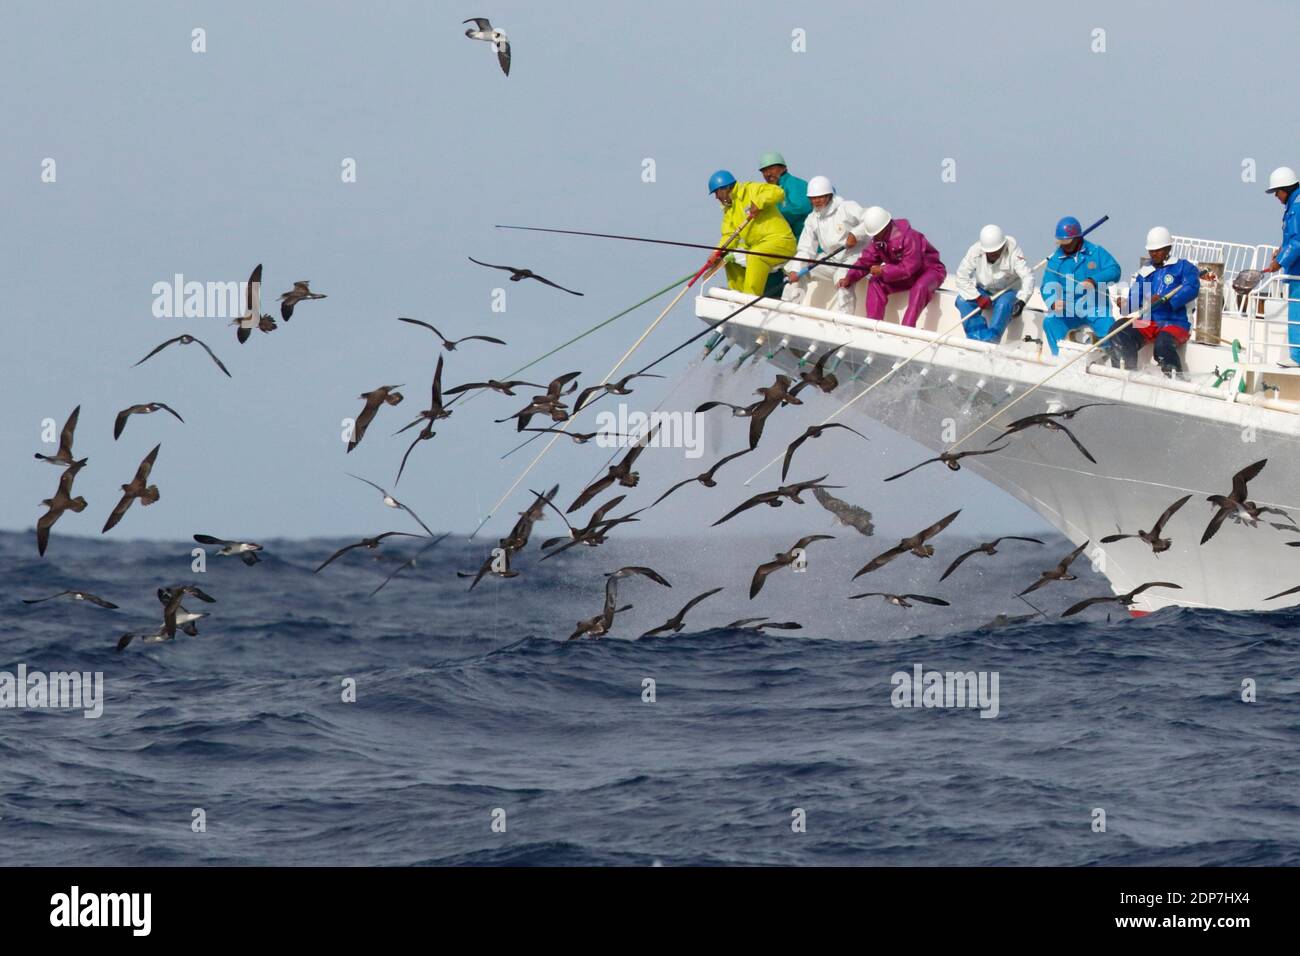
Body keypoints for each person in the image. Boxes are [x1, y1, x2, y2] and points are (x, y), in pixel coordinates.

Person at [836, 207, 947, 327]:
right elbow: (865, 260)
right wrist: (850, 277)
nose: (875, 237)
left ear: (886, 227)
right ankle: (872, 325)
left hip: (931, 271)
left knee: (919, 288)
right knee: (875, 282)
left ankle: (907, 328)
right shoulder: (878, 241)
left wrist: (884, 270)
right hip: (906, 275)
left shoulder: (909, 237)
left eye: (877, 234)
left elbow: (910, 267)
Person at [1116, 227, 1200, 377]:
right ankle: (1127, 373)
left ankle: (1176, 379)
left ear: (1168, 248)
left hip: (1176, 323)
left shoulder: (1183, 267)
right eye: (1151, 250)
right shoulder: (1145, 272)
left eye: (1158, 250)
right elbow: (1136, 297)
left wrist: (1165, 299)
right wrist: (1125, 304)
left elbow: (1192, 288)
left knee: (1163, 344)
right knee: (1120, 330)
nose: (1153, 254)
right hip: (1147, 321)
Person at [1039, 215, 1123, 363]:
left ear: (1078, 238)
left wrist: (1094, 280)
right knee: (1050, 322)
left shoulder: (1096, 252)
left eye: (1067, 242)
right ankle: (1059, 360)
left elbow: (1114, 270)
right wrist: (1052, 302)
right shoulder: (1055, 260)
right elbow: (1047, 284)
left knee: (1110, 328)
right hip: (1069, 308)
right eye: (1061, 242)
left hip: (1097, 307)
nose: (1064, 246)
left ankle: (1110, 362)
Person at [782, 175, 870, 313]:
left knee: (842, 279)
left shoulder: (846, 207)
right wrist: (796, 270)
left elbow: (870, 220)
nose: (816, 201)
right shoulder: (812, 219)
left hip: (855, 257)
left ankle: (844, 323)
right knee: (796, 269)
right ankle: (789, 311)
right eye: (813, 198)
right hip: (832, 259)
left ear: (829, 195)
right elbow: (806, 249)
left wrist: (855, 234)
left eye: (820, 197)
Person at [704, 169, 797, 297]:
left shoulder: (750, 189)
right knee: (728, 258)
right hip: (757, 246)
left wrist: (758, 202)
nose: (716, 197)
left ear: (725, 188)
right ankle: (737, 296)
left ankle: (750, 298)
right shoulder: (729, 210)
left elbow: (778, 192)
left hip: (781, 242)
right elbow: (729, 236)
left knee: (755, 255)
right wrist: (717, 252)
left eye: (717, 193)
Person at [954, 225, 1035, 343]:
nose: (994, 255)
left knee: (1004, 303)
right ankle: (976, 338)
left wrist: (1022, 301)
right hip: (982, 290)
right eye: (990, 252)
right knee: (962, 301)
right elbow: (961, 276)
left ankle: (992, 340)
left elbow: (1028, 277)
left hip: (1008, 292)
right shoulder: (975, 251)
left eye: (997, 251)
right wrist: (978, 297)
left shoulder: (1014, 251)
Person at [1262, 165, 1300, 365]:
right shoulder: (1295, 205)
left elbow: (1297, 242)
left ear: (1286, 189)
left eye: (1276, 192)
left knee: (1297, 310)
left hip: (1299, 272)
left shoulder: (1297, 207)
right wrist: (1281, 249)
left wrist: (1279, 261)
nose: (1276, 196)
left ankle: (1298, 357)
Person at [758, 152, 813, 243]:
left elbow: (802, 206)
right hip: (789, 242)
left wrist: (775, 220)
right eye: (764, 171)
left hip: (808, 242)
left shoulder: (794, 183)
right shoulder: (771, 191)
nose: (767, 174)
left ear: (783, 168)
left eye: (771, 169)